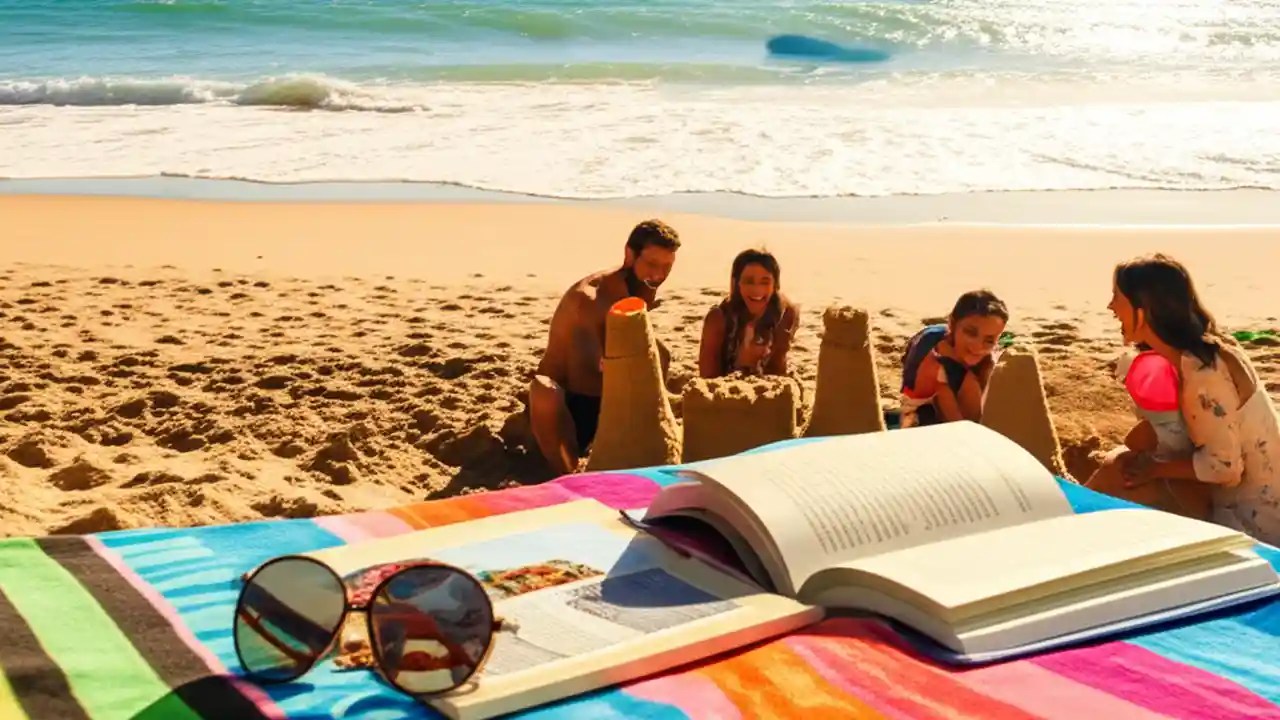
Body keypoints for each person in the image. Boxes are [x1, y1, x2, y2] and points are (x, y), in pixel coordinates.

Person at [1085, 254, 1279, 544]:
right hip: (1238, 498)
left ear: (1143, 309)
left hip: (1255, 520)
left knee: (1122, 478)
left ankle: (1069, 524)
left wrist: (1156, 469)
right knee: (1121, 464)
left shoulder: (1204, 372)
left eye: (1117, 297)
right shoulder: (1205, 350)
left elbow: (1225, 468)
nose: (1111, 306)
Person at [527, 219, 680, 475]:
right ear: (629, 254)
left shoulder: (640, 285)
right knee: (544, 391)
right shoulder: (591, 299)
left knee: (660, 351)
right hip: (571, 406)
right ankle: (565, 471)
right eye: (652, 264)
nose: (659, 275)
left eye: (667, 267)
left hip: (611, 404)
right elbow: (590, 373)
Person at [899, 289, 1008, 428]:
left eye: (989, 340)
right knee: (971, 384)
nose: (977, 346)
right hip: (919, 418)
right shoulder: (934, 360)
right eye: (970, 333)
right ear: (952, 324)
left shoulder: (984, 359)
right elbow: (959, 427)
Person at [697, 248, 799, 378]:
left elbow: (777, 372)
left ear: (775, 285)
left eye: (765, 282)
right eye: (749, 281)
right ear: (736, 283)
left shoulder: (785, 314)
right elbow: (707, 378)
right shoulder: (718, 319)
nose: (757, 290)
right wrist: (744, 363)